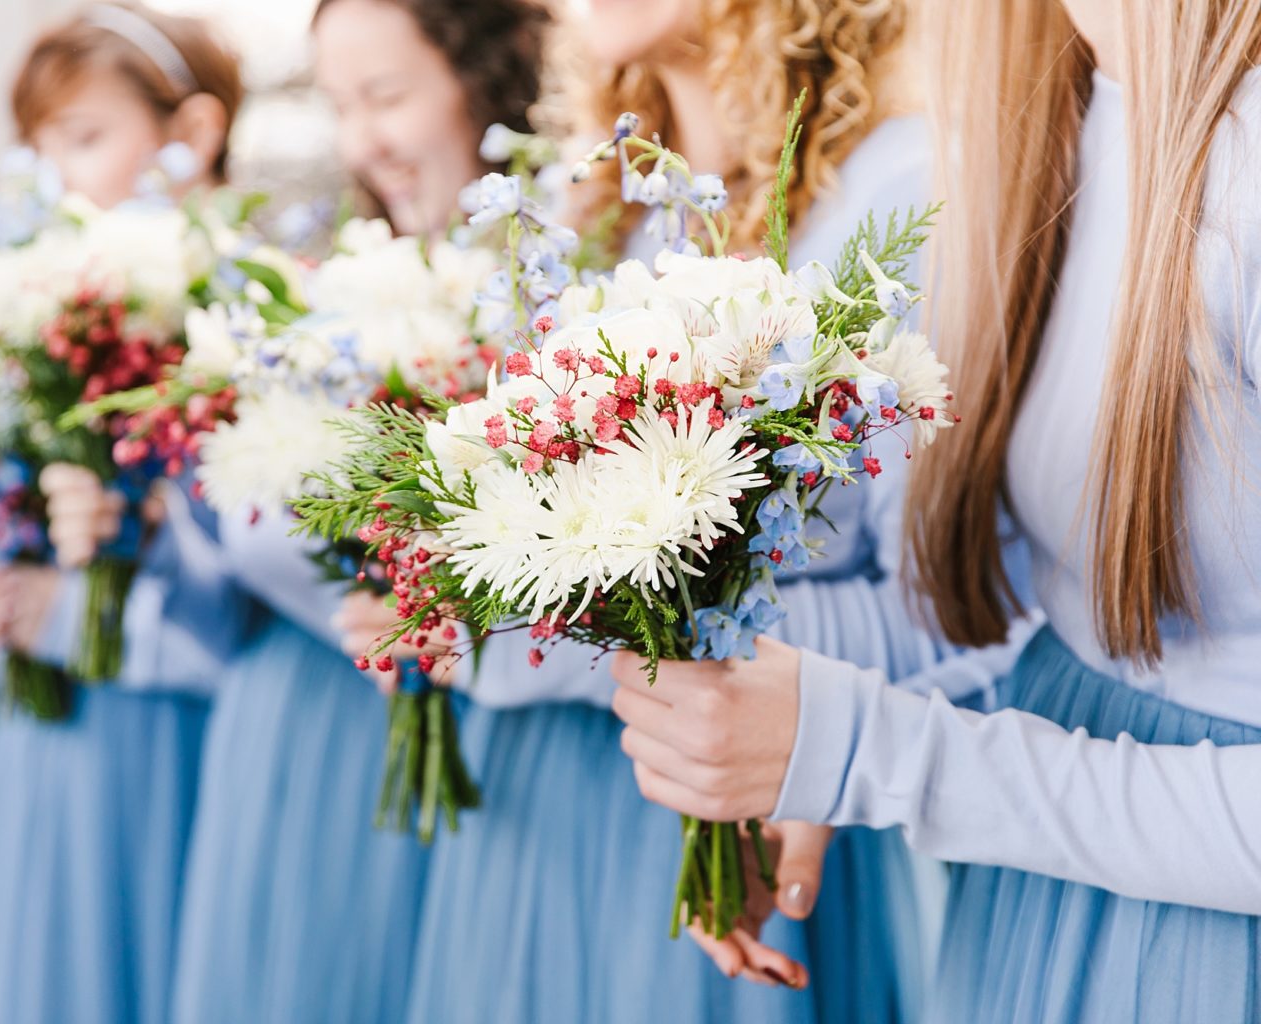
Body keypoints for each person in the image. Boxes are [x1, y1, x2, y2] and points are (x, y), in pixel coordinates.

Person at [612, 0, 1261, 1020]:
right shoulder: (1082, 119)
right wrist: (828, 756)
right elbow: (1069, 634)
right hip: (1036, 911)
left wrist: (882, 754)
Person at [333, 1, 959, 1020]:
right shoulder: (584, 207)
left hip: (741, 823)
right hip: (528, 819)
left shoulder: (900, 195)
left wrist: (565, 650)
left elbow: (951, 613)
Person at [168, 2, 553, 1021]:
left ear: (485, 74)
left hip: (504, 774)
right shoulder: (333, 288)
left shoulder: (556, 292)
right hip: (299, 752)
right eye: (340, 104)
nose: (360, 142)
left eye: (384, 95)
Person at [0, 5, 249, 1022]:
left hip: (177, 744)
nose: (56, 175)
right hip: (52, 747)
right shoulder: (39, 319)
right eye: (39, 145)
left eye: (86, 136)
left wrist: (72, 611)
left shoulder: (240, 323)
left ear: (192, 135)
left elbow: (252, 621)